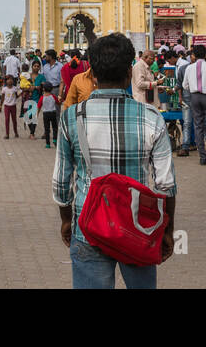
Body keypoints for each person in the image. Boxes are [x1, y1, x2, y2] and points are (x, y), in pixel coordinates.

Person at [52, 32, 176, 289]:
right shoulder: (152, 117)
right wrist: (166, 229)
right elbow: (166, 185)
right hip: (138, 226)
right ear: (130, 72)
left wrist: (67, 219)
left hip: (88, 223)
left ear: (92, 74)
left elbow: (61, 184)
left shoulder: (72, 117)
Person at [181, 44, 206, 166]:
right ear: (205, 54)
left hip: (194, 97)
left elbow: (185, 86)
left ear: (193, 55)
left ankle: (202, 157)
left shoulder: (189, 68)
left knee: (198, 126)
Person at [39, 82, 60, 147]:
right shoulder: (53, 96)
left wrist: (37, 114)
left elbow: (39, 106)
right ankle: (54, 139)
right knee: (55, 127)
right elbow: (58, 103)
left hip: (45, 114)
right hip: (53, 113)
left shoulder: (42, 97)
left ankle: (48, 144)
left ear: (43, 89)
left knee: (47, 129)